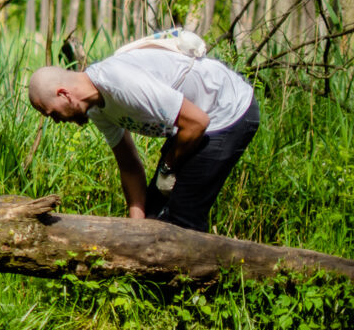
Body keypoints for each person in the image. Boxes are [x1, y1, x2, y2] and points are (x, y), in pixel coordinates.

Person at [26, 46, 259, 232]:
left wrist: (169, 165)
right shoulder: (97, 108)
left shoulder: (121, 83)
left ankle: (196, 288)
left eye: (52, 113)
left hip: (227, 111)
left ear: (63, 94)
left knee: (181, 222)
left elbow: (198, 122)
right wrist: (136, 229)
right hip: (192, 123)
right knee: (153, 213)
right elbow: (129, 166)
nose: (55, 121)